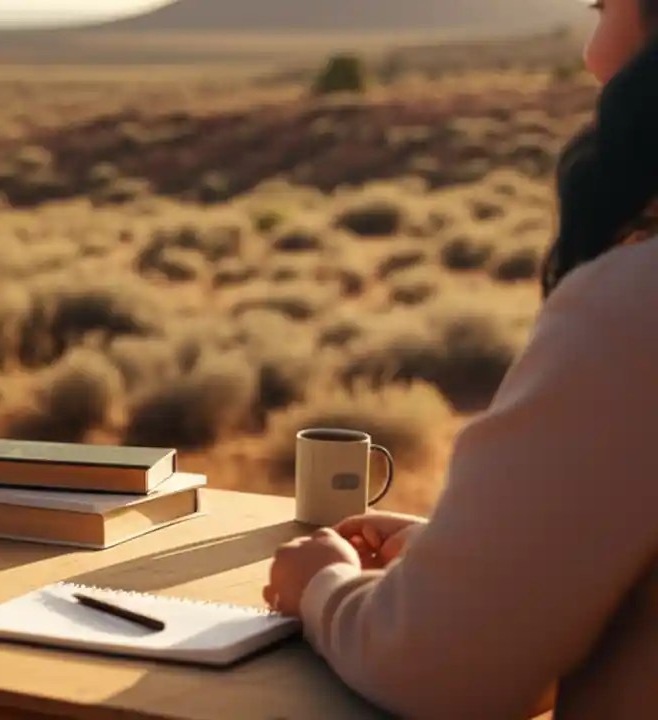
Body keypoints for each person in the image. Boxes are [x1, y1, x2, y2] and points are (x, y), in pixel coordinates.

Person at [263, 2, 658, 718]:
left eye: (605, 6)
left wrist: (320, 586)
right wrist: (478, 560)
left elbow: (443, 672)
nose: (592, 57)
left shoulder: (636, 305)